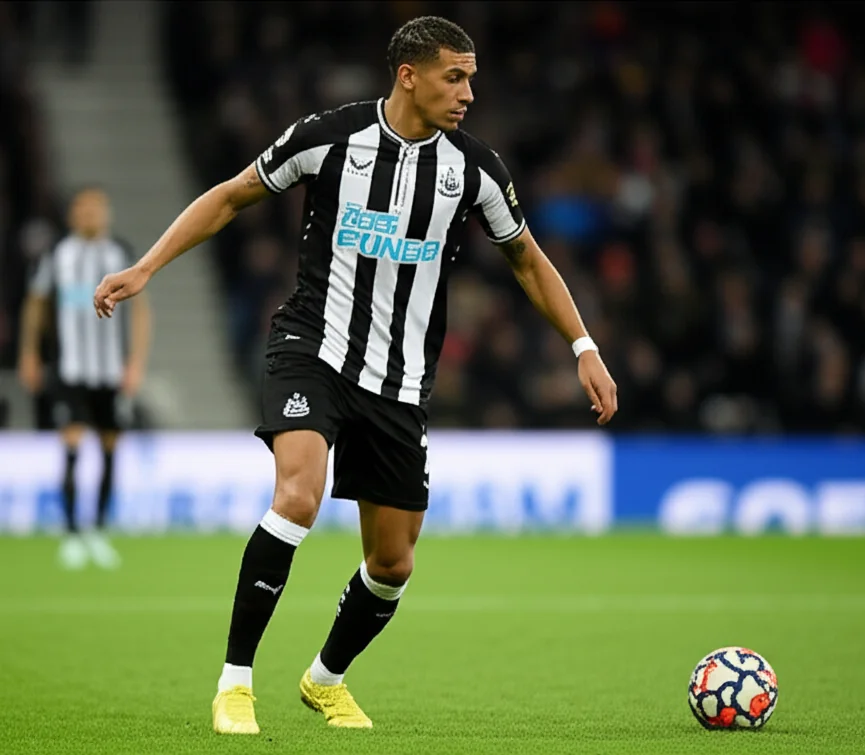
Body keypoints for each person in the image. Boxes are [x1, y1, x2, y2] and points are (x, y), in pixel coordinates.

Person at [93, 15, 617, 735]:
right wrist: (146, 266)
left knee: (393, 564)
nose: (468, 91)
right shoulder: (329, 137)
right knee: (298, 494)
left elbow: (526, 259)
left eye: (471, 77)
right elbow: (231, 194)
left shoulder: (475, 170)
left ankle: (324, 678)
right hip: (314, 348)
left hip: (400, 382)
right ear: (409, 75)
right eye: (454, 76)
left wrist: (583, 344)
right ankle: (235, 682)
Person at [19, 186, 151, 569]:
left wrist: (136, 362)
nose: (90, 215)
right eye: (84, 208)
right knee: (73, 441)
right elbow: (36, 303)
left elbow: (141, 310)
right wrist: (30, 353)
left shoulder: (121, 255)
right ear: (73, 215)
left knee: (110, 446)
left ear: (106, 213)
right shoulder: (58, 255)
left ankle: (97, 530)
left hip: (110, 370)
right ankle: (73, 534)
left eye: (97, 208)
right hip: (70, 369)